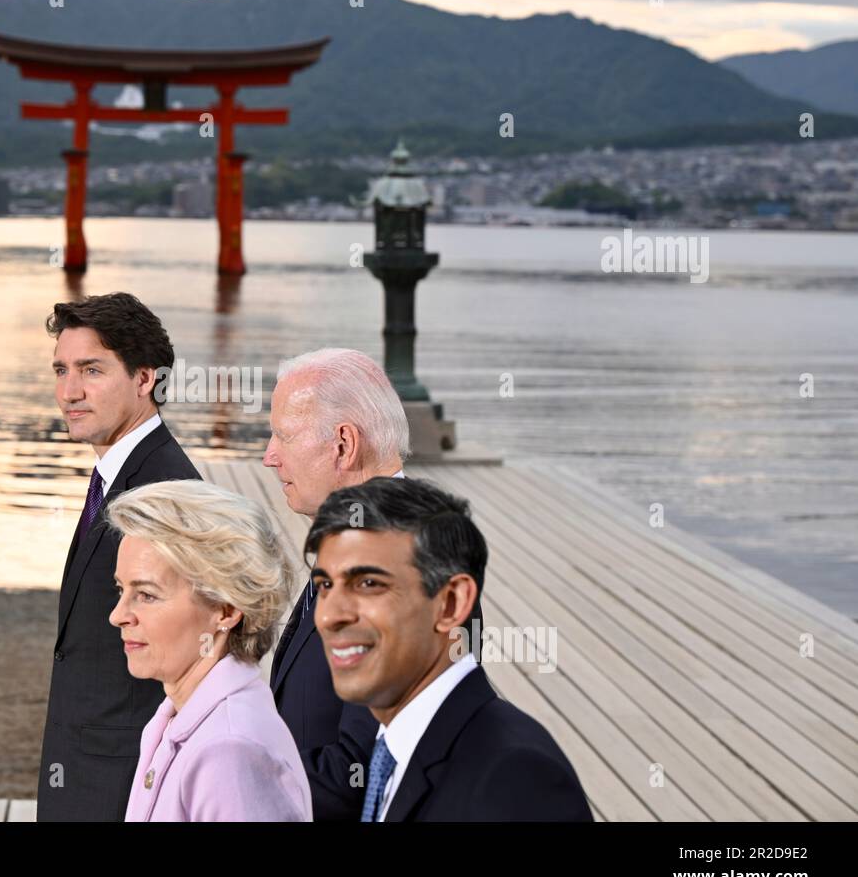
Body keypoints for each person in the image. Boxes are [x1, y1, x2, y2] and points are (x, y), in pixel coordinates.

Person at [307, 475, 592, 821]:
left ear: (452, 603)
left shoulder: (514, 779)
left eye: (368, 583)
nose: (329, 616)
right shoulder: (397, 750)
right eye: (325, 585)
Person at [36, 292, 201, 822]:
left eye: (92, 370)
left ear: (145, 379)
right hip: (87, 770)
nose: (69, 392)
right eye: (61, 370)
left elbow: (196, 656)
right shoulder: (116, 476)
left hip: (123, 783)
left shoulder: (165, 493)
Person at [262, 348, 415, 819]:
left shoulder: (392, 562)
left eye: (283, 436)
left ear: (344, 444)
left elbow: (362, 768)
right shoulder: (360, 536)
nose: (269, 457)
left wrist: (234, 781)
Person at [106, 480, 312, 821]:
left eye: (147, 595)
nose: (118, 616)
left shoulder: (229, 751)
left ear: (226, 610)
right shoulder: (178, 716)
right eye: (121, 589)